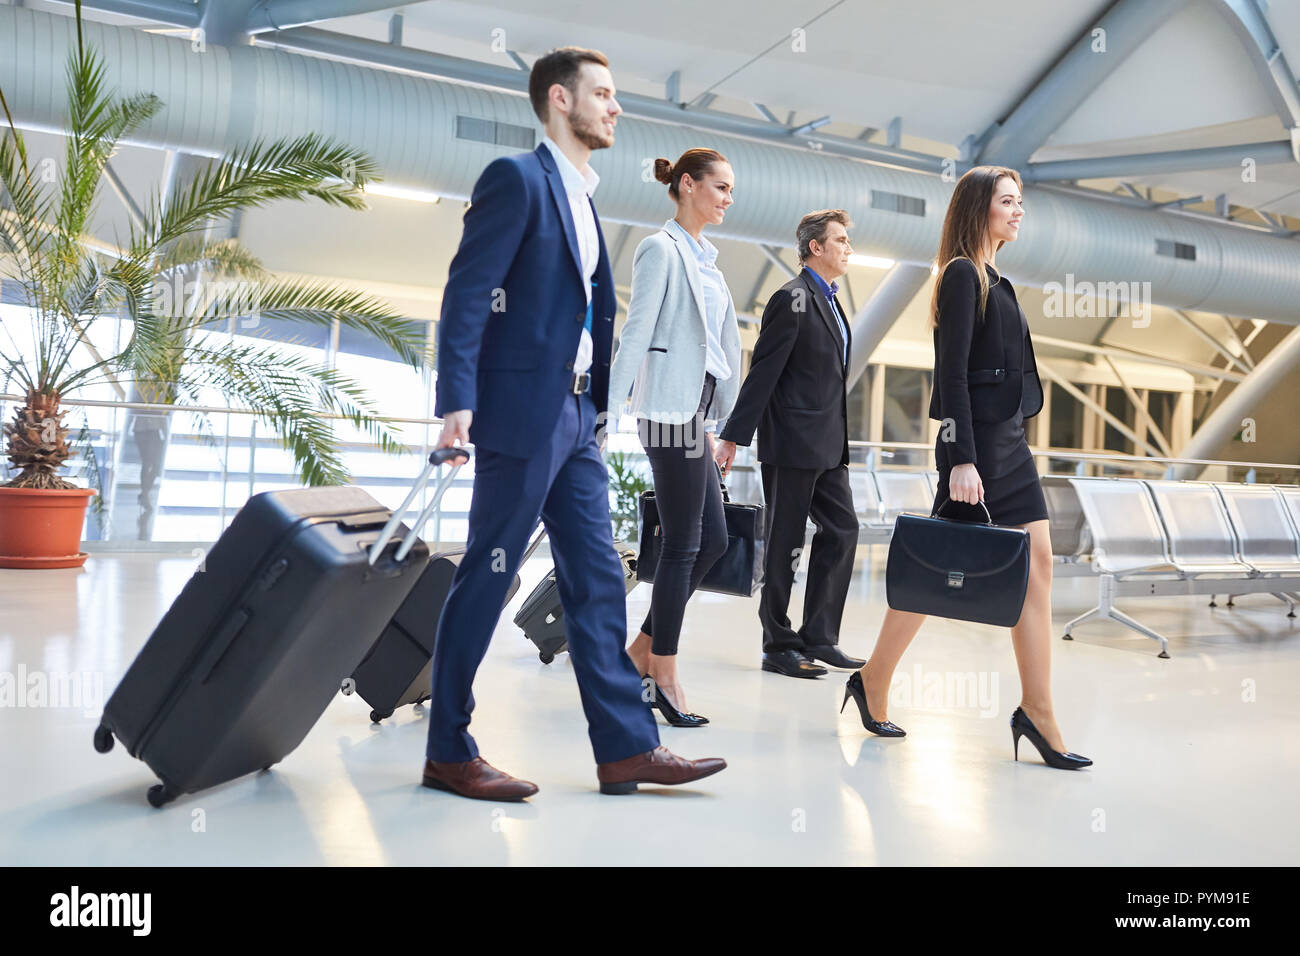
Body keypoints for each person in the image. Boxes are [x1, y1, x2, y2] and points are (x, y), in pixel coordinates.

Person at [425, 46, 727, 799]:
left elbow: (596, 313)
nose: (615, 107)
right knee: (488, 577)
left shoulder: (585, 197)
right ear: (560, 100)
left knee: (597, 579)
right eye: (603, 94)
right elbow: (468, 293)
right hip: (520, 416)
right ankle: (448, 750)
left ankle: (627, 748)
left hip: (576, 418)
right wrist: (456, 400)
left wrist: (596, 407)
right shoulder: (517, 181)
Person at [842, 165, 1092, 771]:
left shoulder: (994, 277)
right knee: (936, 571)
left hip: (1012, 446)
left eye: (1021, 200)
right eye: (1008, 200)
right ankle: (873, 679)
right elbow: (950, 375)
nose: (1019, 210)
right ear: (980, 207)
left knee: (1038, 568)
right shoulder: (960, 275)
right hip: (976, 449)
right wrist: (960, 459)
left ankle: (1037, 710)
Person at [607, 148, 742, 727]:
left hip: (698, 417)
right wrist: (605, 411)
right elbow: (636, 330)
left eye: (731, 190)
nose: (727, 199)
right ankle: (663, 670)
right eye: (719, 187)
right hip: (666, 413)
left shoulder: (708, 262)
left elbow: (718, 351)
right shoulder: (659, 249)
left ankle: (638, 653)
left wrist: (723, 427)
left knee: (712, 541)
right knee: (688, 541)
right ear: (686, 185)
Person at [714, 210, 865, 679]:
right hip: (793, 443)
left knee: (843, 530)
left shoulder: (834, 302)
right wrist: (734, 436)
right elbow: (764, 371)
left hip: (829, 445)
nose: (847, 248)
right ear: (814, 248)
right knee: (785, 542)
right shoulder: (791, 299)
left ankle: (819, 636)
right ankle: (777, 644)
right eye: (839, 240)